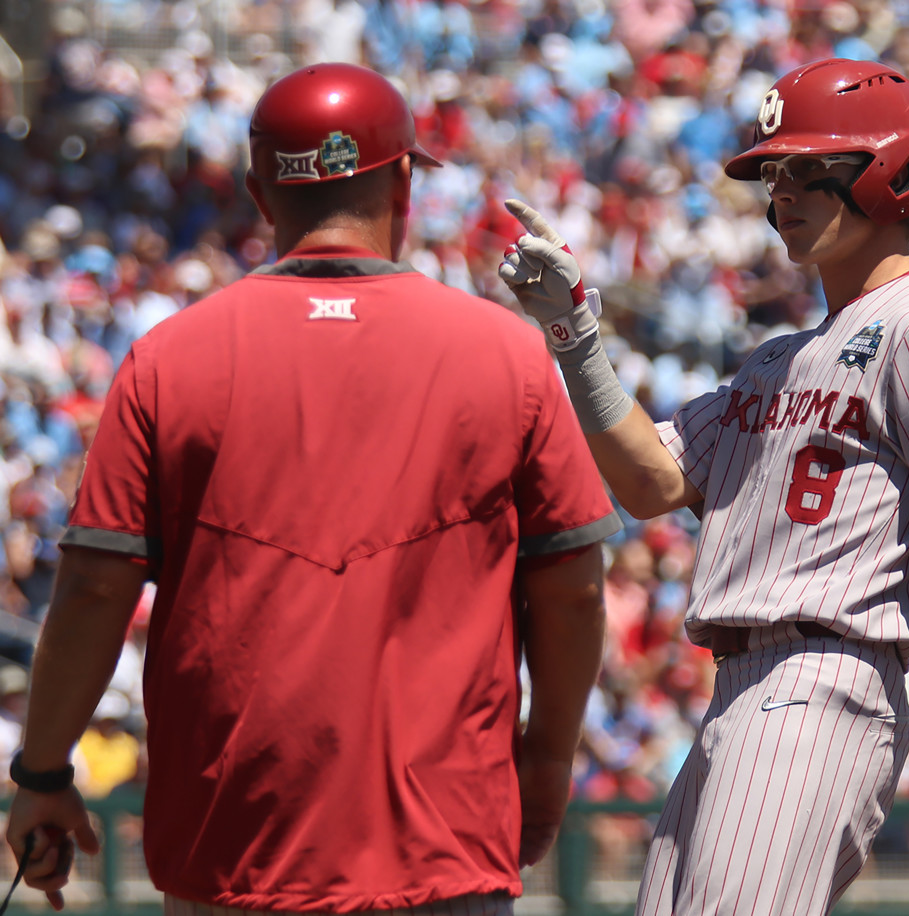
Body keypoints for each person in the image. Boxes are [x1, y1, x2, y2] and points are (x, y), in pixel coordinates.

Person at [4, 62, 621, 915]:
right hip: (442, 846)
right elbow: (573, 592)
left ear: (260, 191)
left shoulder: (167, 356)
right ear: (404, 180)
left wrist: (41, 771)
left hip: (231, 853)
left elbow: (95, 587)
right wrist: (547, 763)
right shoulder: (506, 354)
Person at [500, 58, 909, 915]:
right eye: (775, 173)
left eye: (814, 168)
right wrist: (574, 334)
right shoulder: (778, 358)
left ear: (895, 170)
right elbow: (653, 480)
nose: (786, 191)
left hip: (827, 681)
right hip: (742, 692)